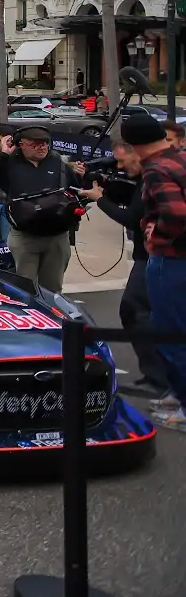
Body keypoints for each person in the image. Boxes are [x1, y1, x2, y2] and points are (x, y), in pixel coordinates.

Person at [78, 141, 169, 396]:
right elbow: (128, 197)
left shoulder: (153, 179)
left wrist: (100, 200)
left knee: (134, 310)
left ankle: (159, 378)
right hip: (150, 256)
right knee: (145, 313)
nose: (118, 166)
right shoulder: (146, 177)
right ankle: (159, 375)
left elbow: (132, 217)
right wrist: (96, 183)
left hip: (155, 257)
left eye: (122, 161)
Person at [124, 112, 186, 429]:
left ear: (134, 144)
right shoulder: (181, 157)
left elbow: (176, 215)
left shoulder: (156, 169)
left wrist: (153, 232)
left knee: (169, 332)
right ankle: (178, 392)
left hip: (171, 259)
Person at [0, 124, 76, 292]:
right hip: (25, 238)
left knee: (52, 290)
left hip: (57, 238)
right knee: (24, 290)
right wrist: (3, 154)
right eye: (35, 144)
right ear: (20, 144)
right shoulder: (8, 163)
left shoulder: (57, 162)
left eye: (44, 143)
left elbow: (76, 190)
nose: (42, 147)